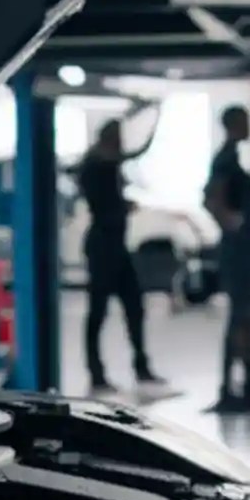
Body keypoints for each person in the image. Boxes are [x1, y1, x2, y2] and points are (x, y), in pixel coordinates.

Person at [76, 119, 164, 394]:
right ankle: (97, 374)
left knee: (134, 307)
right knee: (98, 312)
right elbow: (101, 201)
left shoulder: (107, 164)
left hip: (116, 246)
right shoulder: (94, 165)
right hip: (102, 247)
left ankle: (141, 367)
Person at [203, 105, 250, 412]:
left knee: (245, 315)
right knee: (239, 315)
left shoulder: (232, 158)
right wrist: (233, 224)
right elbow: (212, 198)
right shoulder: (225, 160)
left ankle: (248, 382)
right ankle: (230, 386)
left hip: (243, 246)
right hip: (237, 250)